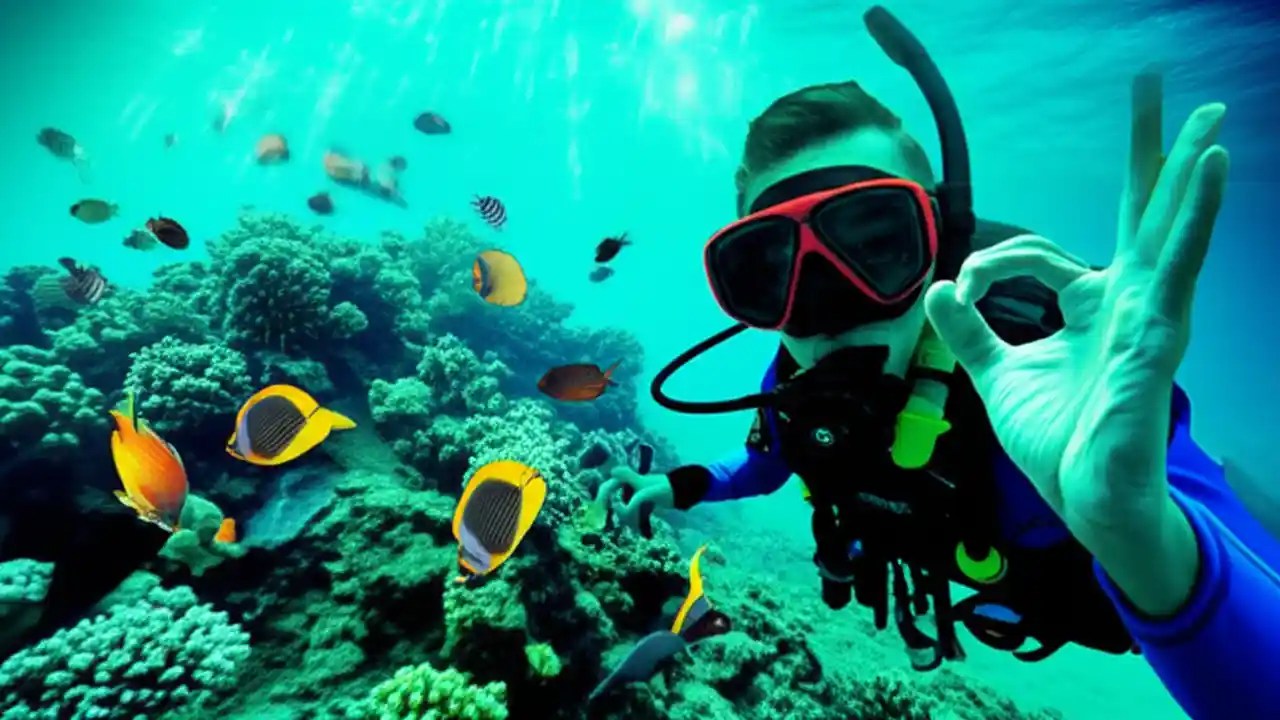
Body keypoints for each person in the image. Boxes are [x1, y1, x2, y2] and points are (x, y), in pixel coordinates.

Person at [593, 7, 1279, 719]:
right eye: (772, 269)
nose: (831, 308)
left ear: (939, 248)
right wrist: (681, 485)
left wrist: (1146, 538)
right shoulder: (794, 378)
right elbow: (770, 459)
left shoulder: (1057, 383)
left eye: (877, 244)